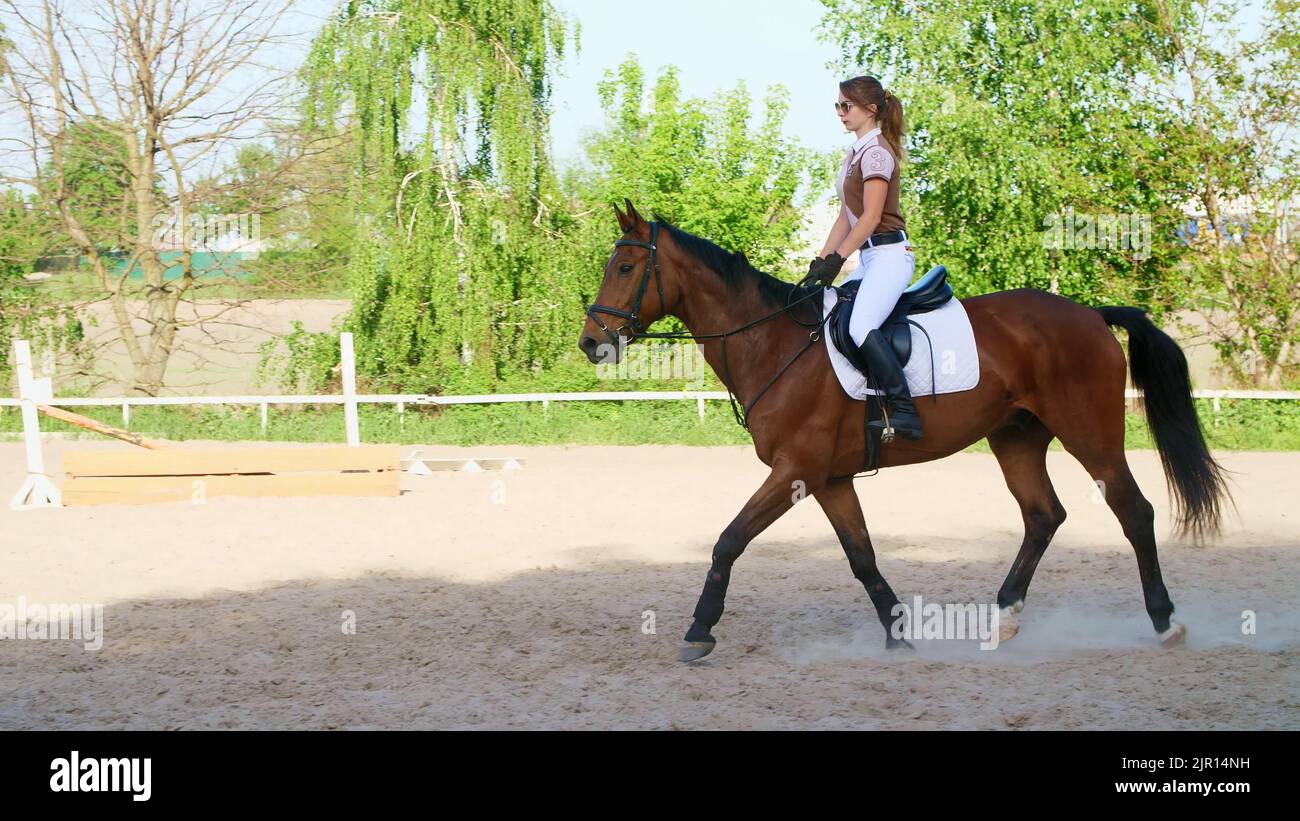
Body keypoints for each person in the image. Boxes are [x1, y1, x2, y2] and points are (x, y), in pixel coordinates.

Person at [804, 75, 921, 440]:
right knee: (827, 311)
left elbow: (870, 218)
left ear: (870, 109)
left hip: (890, 256)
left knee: (859, 325)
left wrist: (838, 260)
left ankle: (904, 411)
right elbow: (846, 216)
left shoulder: (875, 153)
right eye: (837, 105)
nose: (840, 113)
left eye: (846, 106)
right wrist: (819, 263)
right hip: (870, 259)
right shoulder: (854, 153)